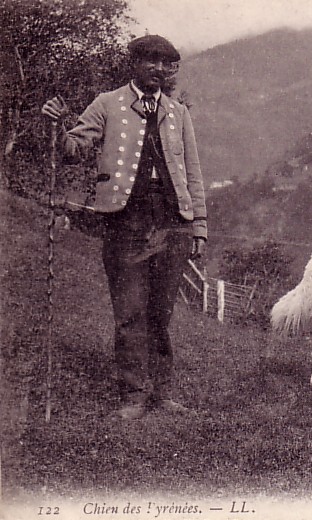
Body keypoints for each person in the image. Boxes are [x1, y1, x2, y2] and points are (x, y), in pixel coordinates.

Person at [42, 35, 207, 418]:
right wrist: (56, 124)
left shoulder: (178, 112)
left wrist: (198, 227)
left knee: (160, 314)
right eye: (153, 62)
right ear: (134, 63)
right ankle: (133, 395)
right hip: (125, 224)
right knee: (130, 312)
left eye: (170, 65)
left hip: (172, 225)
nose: (162, 71)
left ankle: (161, 393)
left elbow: (193, 173)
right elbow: (72, 149)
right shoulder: (107, 103)